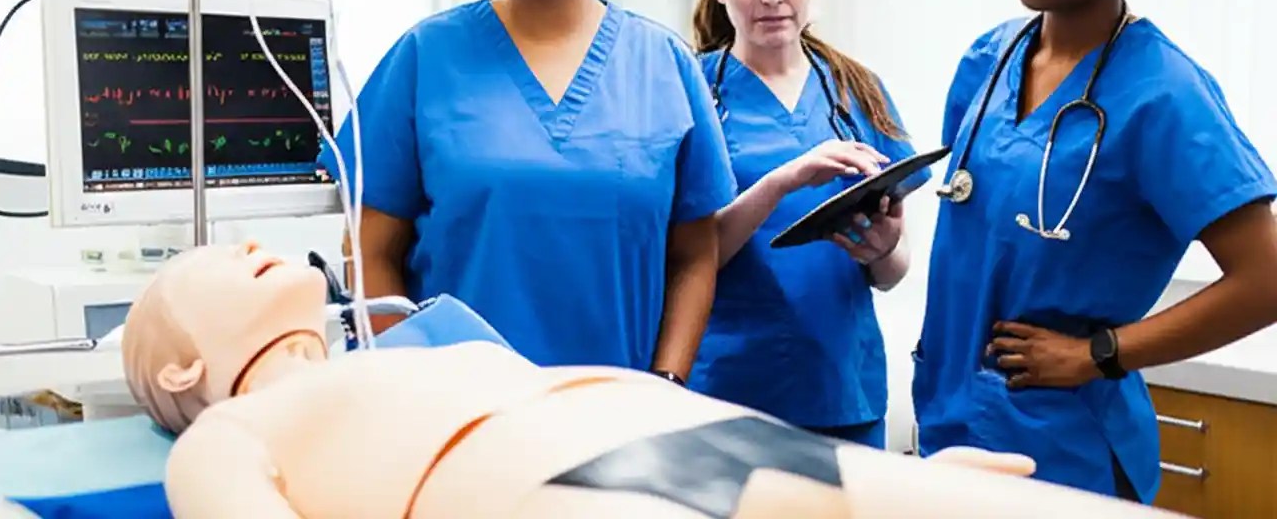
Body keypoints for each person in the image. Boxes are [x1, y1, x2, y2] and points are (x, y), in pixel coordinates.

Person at [118, 242, 1189, 518]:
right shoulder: (231, 430)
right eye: (205, 267)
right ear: (180, 365)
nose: (247, 247)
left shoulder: (422, 351)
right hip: (544, 483)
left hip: (703, 436)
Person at [915, 0, 1277, 504]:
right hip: (951, 425)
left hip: (1067, 450)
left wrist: (1098, 354)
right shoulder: (987, 61)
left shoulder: (1165, 96)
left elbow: (1267, 279)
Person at [318, 0, 734, 380]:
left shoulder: (663, 66)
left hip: (619, 408)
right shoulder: (427, 56)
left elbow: (694, 255)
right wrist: (416, 382)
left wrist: (667, 382)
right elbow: (369, 250)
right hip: (461, 409)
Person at [686, 0, 929, 449]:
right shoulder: (691, 92)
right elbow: (688, 259)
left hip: (842, 391)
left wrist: (881, 250)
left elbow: (892, 273)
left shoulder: (856, 91)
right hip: (727, 396)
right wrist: (783, 181)